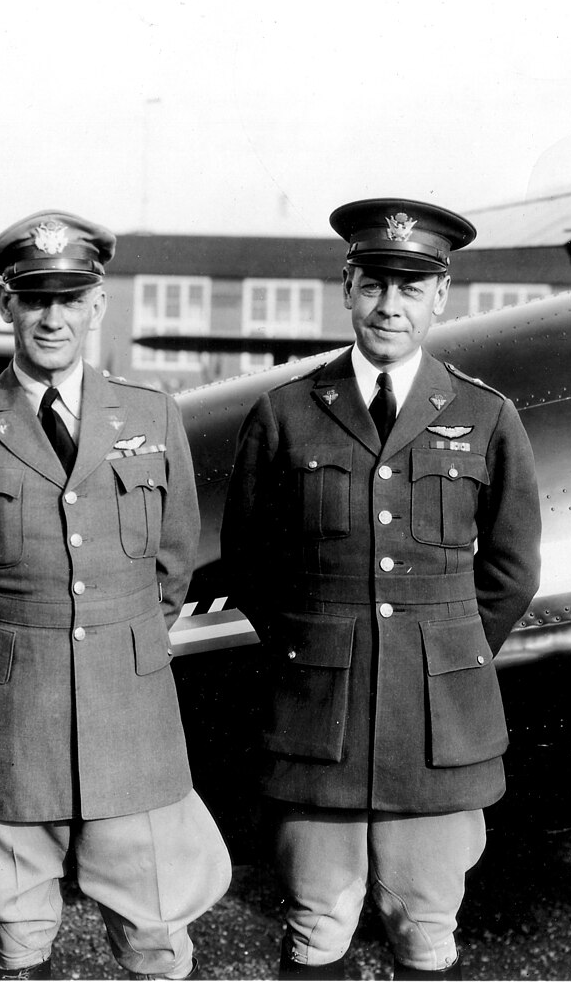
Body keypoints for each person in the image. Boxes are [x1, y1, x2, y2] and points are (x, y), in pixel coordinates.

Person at [0, 210, 231, 980]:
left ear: (96, 305)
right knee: (17, 938)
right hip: (2, 717)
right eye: (33, 297)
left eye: (69, 297)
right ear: (5, 305)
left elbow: (172, 564)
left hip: (129, 713)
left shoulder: (151, 416)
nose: (52, 316)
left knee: (155, 931)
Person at [223, 199, 541, 980]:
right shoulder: (287, 413)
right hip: (318, 714)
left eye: (411, 286)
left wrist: (449, 655)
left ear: (442, 295)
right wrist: (314, 649)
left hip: (439, 723)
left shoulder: (485, 415)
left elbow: (510, 569)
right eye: (373, 284)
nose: (389, 306)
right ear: (347, 288)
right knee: (316, 923)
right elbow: (249, 561)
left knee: (426, 927)